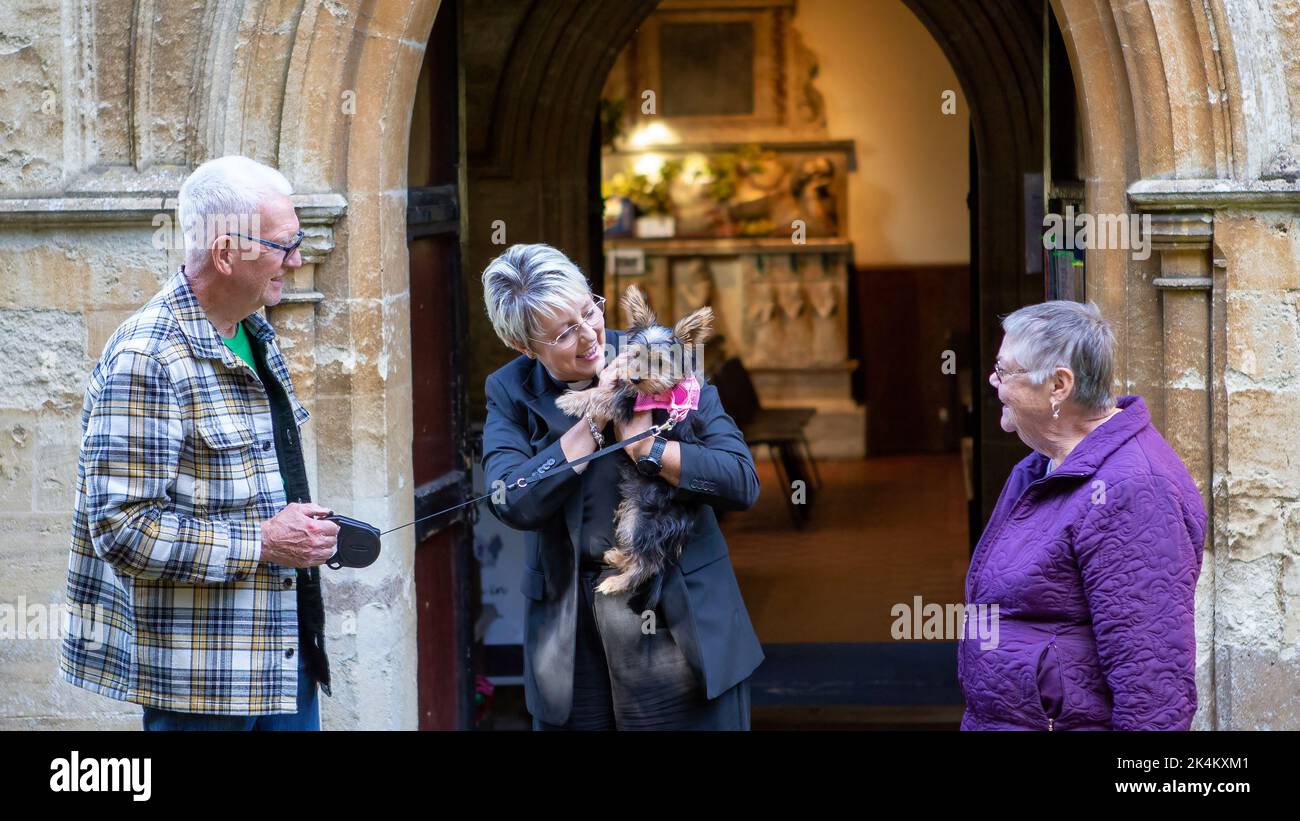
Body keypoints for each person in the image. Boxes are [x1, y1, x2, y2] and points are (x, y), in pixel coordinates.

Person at [61, 155, 338, 730]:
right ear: (226, 253)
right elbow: (122, 530)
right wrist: (265, 542)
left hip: (284, 660)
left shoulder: (254, 332)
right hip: (204, 687)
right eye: (284, 245)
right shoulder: (147, 357)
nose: (297, 259)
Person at [480, 243, 763, 730]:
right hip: (573, 633)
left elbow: (741, 480)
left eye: (589, 311)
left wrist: (649, 449)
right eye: (563, 333)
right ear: (524, 346)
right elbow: (510, 500)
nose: (589, 335)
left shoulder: (660, 355)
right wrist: (595, 420)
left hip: (678, 614)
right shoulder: (510, 390)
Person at [960, 300, 1207, 730]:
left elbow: (1153, 689)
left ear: (1059, 385)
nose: (993, 380)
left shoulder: (1133, 490)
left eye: (1005, 370)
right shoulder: (1042, 466)